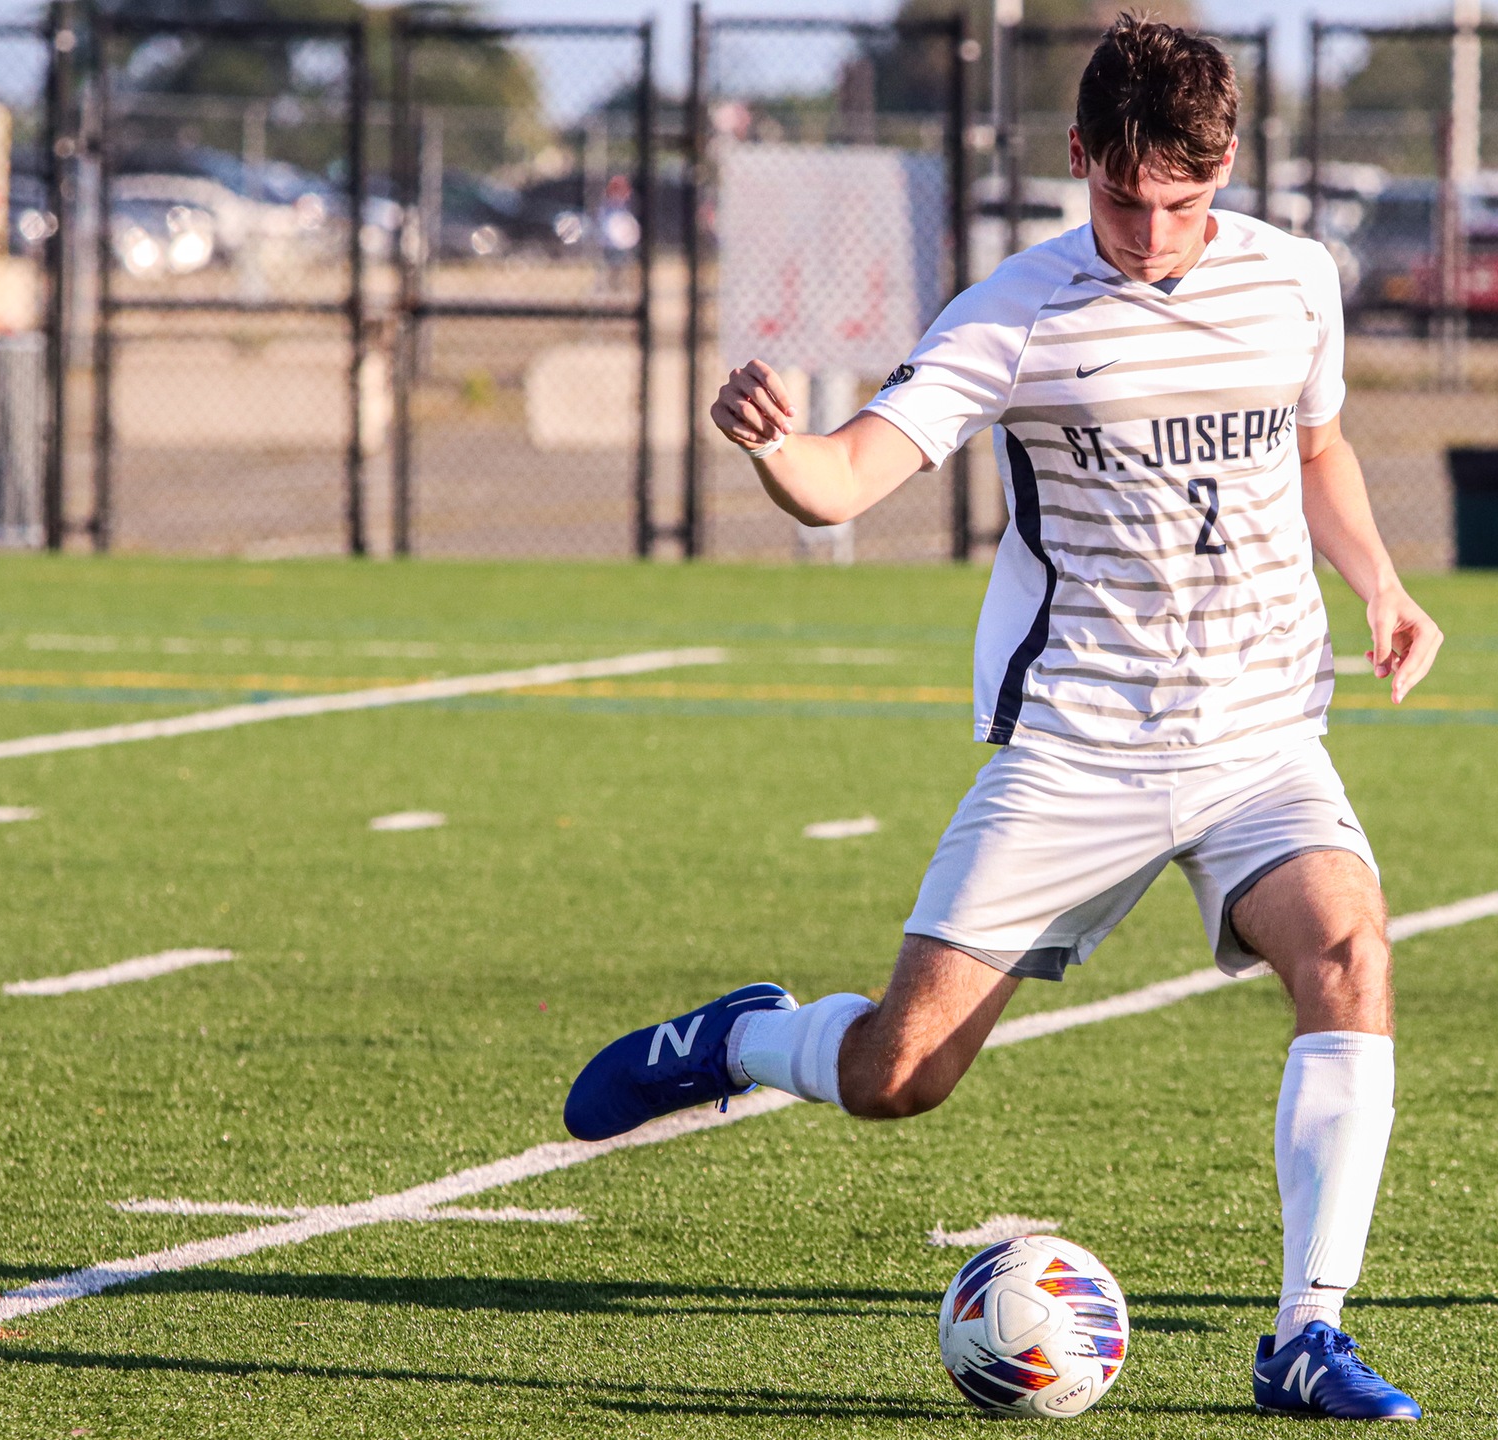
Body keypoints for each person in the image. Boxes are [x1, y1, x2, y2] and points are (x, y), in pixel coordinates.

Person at [561, 16, 1438, 1419]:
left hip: (1262, 734)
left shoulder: (1296, 280)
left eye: (1184, 204)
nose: (1151, 235)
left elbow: (1317, 446)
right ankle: (742, 1040)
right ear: (1079, 155)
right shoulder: (1013, 312)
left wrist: (1380, 581)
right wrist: (779, 448)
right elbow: (846, 480)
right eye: (1125, 200)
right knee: (898, 1075)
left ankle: (1305, 1334)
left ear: (1226, 170)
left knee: (1349, 951)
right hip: (1081, 746)